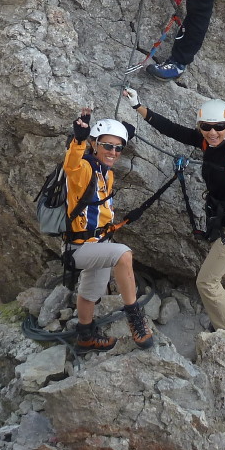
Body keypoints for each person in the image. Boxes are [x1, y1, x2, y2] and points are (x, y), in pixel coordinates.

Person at [121, 88, 225, 347]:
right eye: (206, 127)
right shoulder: (204, 141)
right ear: (200, 126)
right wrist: (138, 106)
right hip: (224, 219)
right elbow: (171, 129)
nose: (213, 133)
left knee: (207, 282)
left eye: (219, 127)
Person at [61, 107, 154, 351]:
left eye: (118, 148)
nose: (113, 152)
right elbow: (71, 165)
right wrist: (78, 139)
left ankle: (85, 337)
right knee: (123, 254)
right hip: (79, 248)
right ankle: (135, 317)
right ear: (94, 144)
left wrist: (123, 133)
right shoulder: (84, 170)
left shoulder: (106, 172)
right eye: (107, 146)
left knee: (91, 291)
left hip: (99, 244)